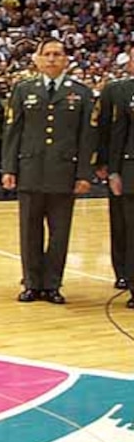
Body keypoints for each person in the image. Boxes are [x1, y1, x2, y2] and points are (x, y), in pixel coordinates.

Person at [1, 38, 97, 304]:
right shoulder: (23, 90)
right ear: (38, 59)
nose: (53, 58)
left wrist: (83, 174)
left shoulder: (81, 92)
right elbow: (13, 131)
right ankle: (32, 283)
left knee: (59, 233)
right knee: (29, 231)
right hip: (30, 169)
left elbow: (87, 136)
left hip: (64, 172)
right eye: (48, 54)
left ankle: (52, 284)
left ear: (66, 59)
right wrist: (9, 167)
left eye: (58, 54)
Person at [96, 59, 133, 292]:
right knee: (123, 224)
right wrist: (105, 163)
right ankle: (125, 273)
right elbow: (105, 128)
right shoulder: (117, 89)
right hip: (126, 165)